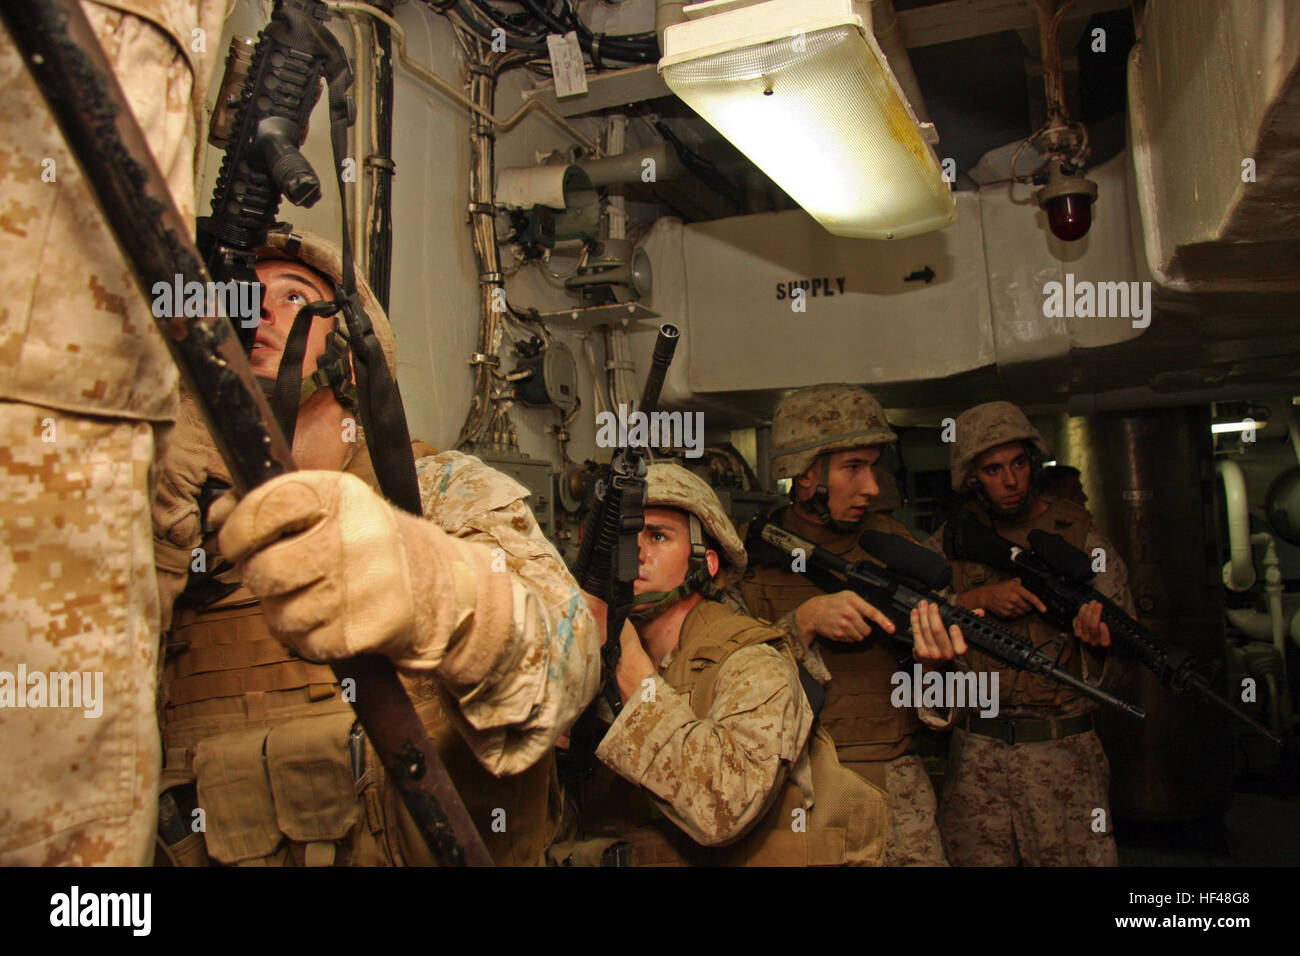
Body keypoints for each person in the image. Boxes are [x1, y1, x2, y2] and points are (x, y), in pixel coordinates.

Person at [150, 228, 599, 866]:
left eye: (293, 295)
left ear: (351, 354)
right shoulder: (179, 514)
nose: (258, 310)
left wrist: (428, 590)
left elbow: (565, 667)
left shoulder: (440, 492)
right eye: (244, 295)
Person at [0, 0, 229, 865]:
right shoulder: (183, 473)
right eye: (261, 293)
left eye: (299, 301)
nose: (264, 321)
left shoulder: (422, 495)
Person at [556, 462, 889, 866]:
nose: (635, 553)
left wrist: (625, 659)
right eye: (625, 538)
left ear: (706, 564)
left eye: (658, 536)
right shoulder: (593, 664)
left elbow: (723, 808)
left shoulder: (752, 664)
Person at [736, 383, 964, 866]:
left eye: (873, 466)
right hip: (794, 788)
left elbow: (945, 711)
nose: (873, 487)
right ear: (803, 477)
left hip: (895, 782)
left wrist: (933, 666)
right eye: (852, 468)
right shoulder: (745, 558)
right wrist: (802, 625)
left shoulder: (901, 548)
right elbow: (719, 679)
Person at [928, 400, 1133, 866]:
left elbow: (1125, 655)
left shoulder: (1080, 537)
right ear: (971, 477)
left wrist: (1098, 643)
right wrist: (975, 601)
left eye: (1019, 463)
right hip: (978, 756)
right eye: (994, 468)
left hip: (1063, 753)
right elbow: (909, 619)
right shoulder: (949, 543)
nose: (1011, 480)